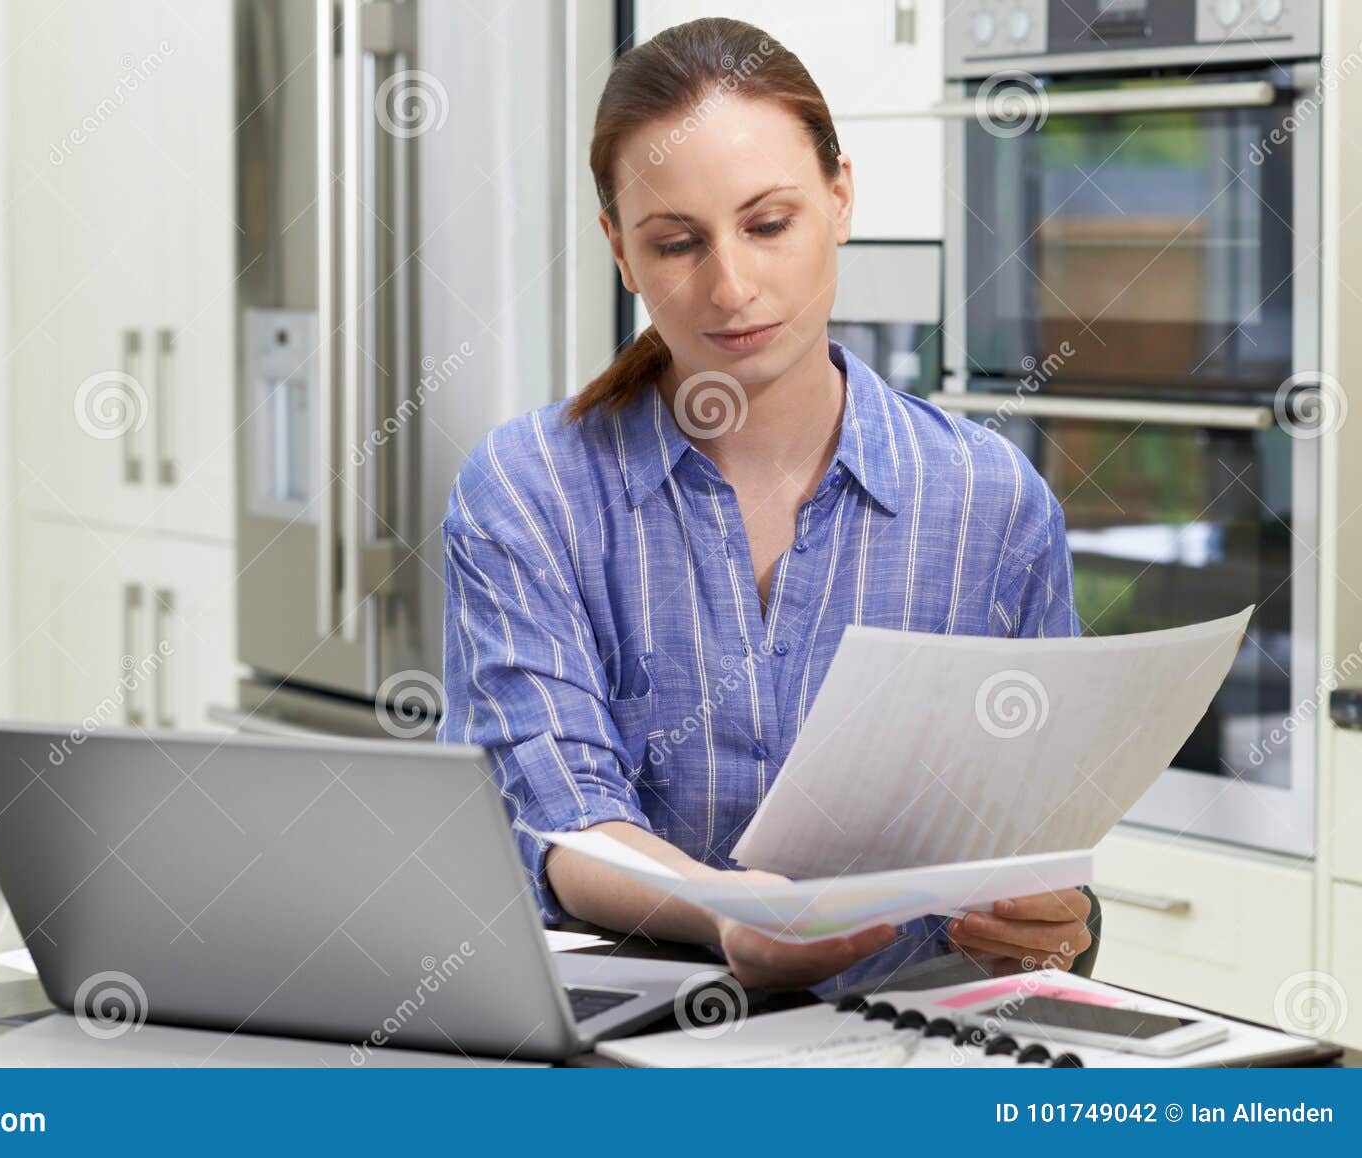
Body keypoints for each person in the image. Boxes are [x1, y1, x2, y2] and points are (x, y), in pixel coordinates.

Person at [437, 17, 1091, 993]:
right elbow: (560, 822)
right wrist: (738, 918)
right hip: (637, 1062)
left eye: (768, 224)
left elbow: (1043, 857)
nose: (732, 286)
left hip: (923, 1065)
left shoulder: (994, 506)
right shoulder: (529, 493)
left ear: (839, 198)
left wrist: (1049, 926)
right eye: (676, 244)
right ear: (621, 251)